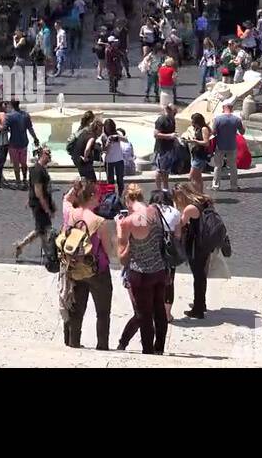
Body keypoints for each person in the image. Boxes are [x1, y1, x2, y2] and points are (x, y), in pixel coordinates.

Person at [115, 184, 174, 354]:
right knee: (160, 311)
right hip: (160, 270)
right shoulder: (155, 211)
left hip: (140, 274)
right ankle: (159, 348)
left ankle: (148, 351)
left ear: (127, 200)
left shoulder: (128, 222)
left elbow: (123, 257)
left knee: (144, 314)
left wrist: (120, 230)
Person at [59, 180, 116, 350]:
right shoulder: (99, 222)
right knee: (103, 312)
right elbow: (108, 250)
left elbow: (66, 200)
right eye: (98, 194)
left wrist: (75, 188)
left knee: (77, 309)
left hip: (75, 267)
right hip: (97, 271)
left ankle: (74, 342)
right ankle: (102, 346)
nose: (101, 197)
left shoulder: (70, 214)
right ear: (91, 196)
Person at [173, 185, 219, 319]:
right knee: (201, 275)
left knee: (198, 277)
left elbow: (180, 224)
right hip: (206, 243)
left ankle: (198, 309)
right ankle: (201, 303)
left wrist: (176, 207)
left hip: (196, 245)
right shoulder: (205, 201)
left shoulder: (190, 208)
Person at [15, 147, 55, 260]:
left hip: (39, 203)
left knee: (42, 229)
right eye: (48, 153)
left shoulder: (40, 169)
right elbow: (38, 191)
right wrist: (46, 208)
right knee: (42, 229)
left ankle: (46, 251)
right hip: (39, 204)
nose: (50, 155)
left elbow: (34, 188)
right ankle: (22, 245)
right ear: (41, 155)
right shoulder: (38, 170)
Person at [5, 100, 40, 188]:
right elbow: (30, 129)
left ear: (12, 105)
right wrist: (35, 138)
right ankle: (24, 179)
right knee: (24, 163)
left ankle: (18, 181)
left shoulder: (9, 116)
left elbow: (5, 128)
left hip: (13, 143)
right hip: (24, 143)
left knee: (16, 164)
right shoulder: (25, 115)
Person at [211, 101, 244, 192]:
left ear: (223, 108)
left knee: (218, 166)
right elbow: (242, 132)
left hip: (220, 145)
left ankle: (216, 186)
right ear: (232, 108)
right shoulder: (237, 119)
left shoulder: (217, 119)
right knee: (233, 166)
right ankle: (234, 186)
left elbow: (213, 132)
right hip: (232, 145)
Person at [152, 104, 178, 192]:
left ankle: (165, 188)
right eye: (174, 112)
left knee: (166, 170)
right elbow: (156, 134)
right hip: (161, 149)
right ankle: (160, 189)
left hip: (169, 148)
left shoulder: (172, 119)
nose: (175, 114)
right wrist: (170, 136)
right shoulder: (161, 120)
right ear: (169, 110)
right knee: (160, 170)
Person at [186, 113, 212, 194]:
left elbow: (206, 142)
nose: (192, 123)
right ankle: (200, 193)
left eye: (193, 121)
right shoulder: (198, 128)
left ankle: (196, 193)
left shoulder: (204, 129)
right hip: (195, 154)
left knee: (192, 176)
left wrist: (195, 141)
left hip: (200, 155)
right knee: (198, 177)